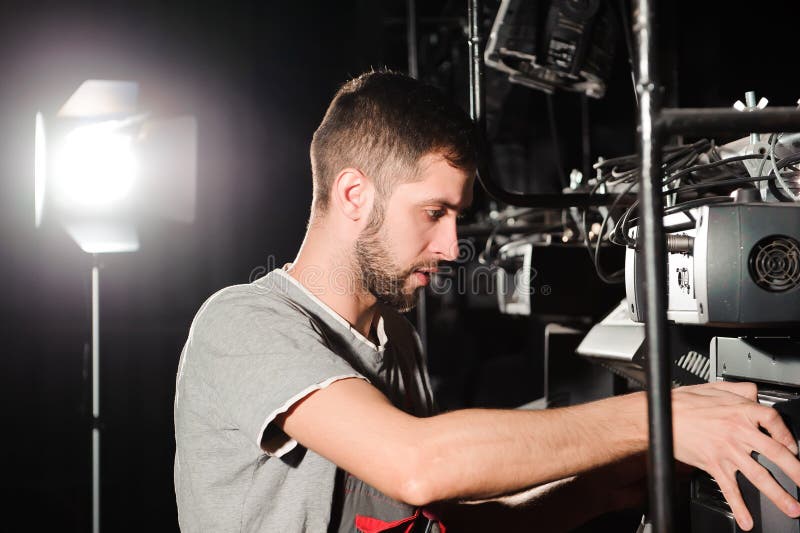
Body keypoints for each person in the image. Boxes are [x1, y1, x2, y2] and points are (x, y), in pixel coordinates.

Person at [174, 70, 800, 532]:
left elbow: (445, 522)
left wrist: (609, 485)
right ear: (355, 195)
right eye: (433, 212)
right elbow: (416, 465)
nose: (452, 247)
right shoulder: (242, 324)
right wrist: (659, 416)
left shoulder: (399, 339)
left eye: (458, 216)